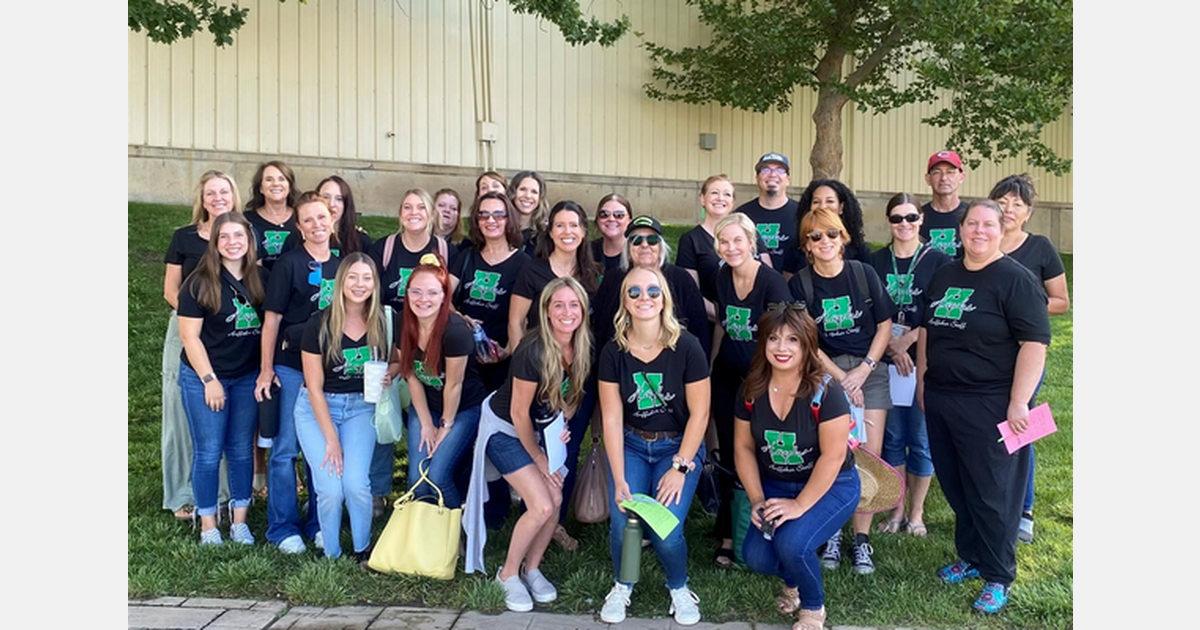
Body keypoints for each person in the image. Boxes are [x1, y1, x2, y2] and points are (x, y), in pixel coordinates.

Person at [916, 199, 1051, 614]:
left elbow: (1035, 343)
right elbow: (927, 330)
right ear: (960, 230)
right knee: (958, 485)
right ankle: (971, 557)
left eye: (988, 224)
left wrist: (1018, 402)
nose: (979, 231)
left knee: (995, 490)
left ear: (1001, 229)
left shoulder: (1016, 279)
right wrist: (923, 380)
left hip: (991, 403)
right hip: (942, 396)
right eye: (971, 223)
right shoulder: (944, 274)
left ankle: (998, 574)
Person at [463, 277, 591, 612]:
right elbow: (519, 413)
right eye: (558, 305)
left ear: (583, 309)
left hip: (538, 430)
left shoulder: (581, 346)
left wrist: (559, 425)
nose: (567, 312)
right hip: (505, 428)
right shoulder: (532, 349)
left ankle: (531, 568)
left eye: (574, 304)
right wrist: (538, 457)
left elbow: (571, 397)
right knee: (542, 505)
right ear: (546, 312)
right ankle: (506, 574)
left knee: (557, 496)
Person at [733, 304, 860, 630]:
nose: (781, 348)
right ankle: (793, 581)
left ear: (807, 344)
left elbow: (832, 457)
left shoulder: (827, 392)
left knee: (792, 544)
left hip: (833, 484)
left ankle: (813, 608)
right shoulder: (750, 390)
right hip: (775, 483)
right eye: (773, 338)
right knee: (757, 556)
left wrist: (800, 505)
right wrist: (758, 498)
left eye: (792, 339)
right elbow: (744, 448)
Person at [597, 268, 709, 626]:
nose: (644, 298)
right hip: (631, 443)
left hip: (677, 447)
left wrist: (679, 467)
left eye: (652, 291)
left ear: (664, 298)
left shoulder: (687, 345)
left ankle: (679, 587)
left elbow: (700, 412)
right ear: (624, 302)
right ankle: (622, 584)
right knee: (622, 522)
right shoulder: (613, 350)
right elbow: (612, 419)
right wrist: (618, 478)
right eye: (634, 292)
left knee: (666, 528)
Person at [787, 207, 893, 575]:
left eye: (831, 234)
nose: (825, 242)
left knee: (867, 456)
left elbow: (884, 325)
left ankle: (860, 539)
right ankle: (831, 531)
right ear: (807, 245)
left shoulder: (864, 274)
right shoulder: (800, 283)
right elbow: (804, 339)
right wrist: (838, 380)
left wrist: (862, 371)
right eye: (816, 237)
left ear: (843, 238)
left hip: (869, 369)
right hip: (822, 372)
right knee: (831, 453)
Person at [509, 200, 602, 549]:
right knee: (532, 442)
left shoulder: (593, 273)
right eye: (560, 225)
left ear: (583, 231)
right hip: (537, 375)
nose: (567, 232)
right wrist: (523, 365)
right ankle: (532, 508)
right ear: (550, 231)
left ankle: (556, 521)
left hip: (577, 376)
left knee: (567, 446)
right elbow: (517, 321)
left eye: (574, 225)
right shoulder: (532, 271)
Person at [295, 253, 398, 560]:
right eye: (352, 277)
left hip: (361, 408)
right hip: (318, 409)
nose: (359, 284)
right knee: (330, 489)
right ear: (341, 281)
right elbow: (313, 386)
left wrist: (390, 374)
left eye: (367, 278)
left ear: (375, 283)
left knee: (355, 484)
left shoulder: (385, 319)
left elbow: (398, 360)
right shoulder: (319, 323)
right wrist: (331, 440)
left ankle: (362, 548)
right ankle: (331, 552)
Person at [176, 212, 269, 545]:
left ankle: (240, 520)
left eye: (239, 236)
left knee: (242, 449)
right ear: (215, 243)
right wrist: (209, 379)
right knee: (210, 451)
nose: (233, 243)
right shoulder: (199, 282)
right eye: (225, 237)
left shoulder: (262, 279)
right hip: (205, 375)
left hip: (245, 377)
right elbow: (190, 337)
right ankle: (208, 524)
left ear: (250, 241)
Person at [256, 192, 341, 554]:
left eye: (322, 217)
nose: (317, 225)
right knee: (285, 450)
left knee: (320, 450)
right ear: (299, 226)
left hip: (328, 373)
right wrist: (265, 369)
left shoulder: (343, 266)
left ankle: (319, 522)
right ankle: (283, 527)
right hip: (291, 369)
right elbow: (271, 320)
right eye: (308, 220)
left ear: (332, 220)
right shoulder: (288, 265)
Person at [991, 174, 1070, 544]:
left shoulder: (1039, 247)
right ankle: (992, 501)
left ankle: (1024, 511)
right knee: (988, 431)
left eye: (1016, 204)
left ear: (1028, 212)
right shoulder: (980, 243)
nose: (1008, 210)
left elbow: (1061, 301)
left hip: (1025, 353)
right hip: (985, 357)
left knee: (1020, 429)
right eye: (1002, 202)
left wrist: (1023, 306)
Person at [709, 213, 791, 567]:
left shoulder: (772, 284)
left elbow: (787, 337)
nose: (731, 248)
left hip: (763, 380)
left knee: (760, 454)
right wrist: (710, 368)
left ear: (751, 242)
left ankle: (765, 527)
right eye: (724, 242)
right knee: (729, 454)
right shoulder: (721, 275)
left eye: (737, 240)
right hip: (728, 376)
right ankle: (729, 533)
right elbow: (723, 326)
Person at [869, 193, 951, 537]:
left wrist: (908, 340)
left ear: (922, 220)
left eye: (911, 218)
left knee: (919, 438)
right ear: (889, 222)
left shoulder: (940, 262)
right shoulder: (875, 263)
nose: (905, 224)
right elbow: (869, 312)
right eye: (897, 218)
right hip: (884, 360)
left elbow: (940, 314)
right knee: (891, 438)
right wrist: (891, 345)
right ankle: (896, 510)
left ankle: (917, 513)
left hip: (923, 359)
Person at [162, 170, 239, 520]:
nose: (218, 197)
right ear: (202, 198)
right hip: (188, 329)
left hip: (232, 335)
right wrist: (201, 318)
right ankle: (184, 493)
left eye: (224, 191)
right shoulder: (185, 237)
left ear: (234, 195)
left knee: (230, 418)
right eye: (211, 193)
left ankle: (224, 494)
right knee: (184, 411)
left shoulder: (241, 234)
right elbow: (170, 290)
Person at [399, 255, 488, 509]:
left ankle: (452, 533)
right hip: (427, 404)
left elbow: (454, 385)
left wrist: (444, 427)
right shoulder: (402, 322)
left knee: (437, 477)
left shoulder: (456, 330)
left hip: (462, 408)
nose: (423, 299)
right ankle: (419, 534)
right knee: (417, 477)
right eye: (416, 291)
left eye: (431, 292)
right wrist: (426, 422)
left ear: (443, 296)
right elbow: (411, 375)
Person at [592, 216, 711, 357]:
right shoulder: (613, 279)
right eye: (636, 240)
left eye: (652, 240)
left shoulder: (681, 279)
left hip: (673, 366)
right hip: (619, 363)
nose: (644, 245)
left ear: (661, 247)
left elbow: (700, 330)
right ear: (628, 248)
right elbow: (599, 326)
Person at [449, 192, 531, 392]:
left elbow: (526, 318)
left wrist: (507, 351)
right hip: (464, 356)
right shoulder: (467, 257)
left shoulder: (524, 263)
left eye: (498, 215)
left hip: (503, 360)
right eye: (483, 215)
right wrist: (460, 317)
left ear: (509, 219)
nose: (490, 220)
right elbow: (442, 297)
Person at [676, 174, 772, 313]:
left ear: (732, 202)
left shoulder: (749, 232)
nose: (720, 198)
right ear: (703, 199)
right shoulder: (690, 240)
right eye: (714, 193)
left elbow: (769, 274)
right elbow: (691, 292)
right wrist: (724, 316)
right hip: (712, 319)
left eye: (727, 194)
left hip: (757, 319)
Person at [367, 188, 450, 312]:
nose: (414, 212)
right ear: (400, 214)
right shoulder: (382, 249)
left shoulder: (445, 251)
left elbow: (451, 300)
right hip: (389, 327)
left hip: (430, 328)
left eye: (421, 207)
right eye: (407, 207)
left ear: (432, 214)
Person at [734, 152, 801, 275]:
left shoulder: (802, 214)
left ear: (788, 180)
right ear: (757, 179)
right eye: (765, 170)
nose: (772, 175)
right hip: (751, 287)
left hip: (795, 289)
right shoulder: (741, 216)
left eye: (780, 170)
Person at [795, 179, 873, 267]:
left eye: (830, 201)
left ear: (841, 207)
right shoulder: (797, 247)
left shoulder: (859, 250)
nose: (823, 206)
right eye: (816, 201)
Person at [244, 160, 301, 271]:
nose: (276, 184)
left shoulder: (302, 217)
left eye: (281, 179)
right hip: (258, 284)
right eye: (269, 179)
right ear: (261, 188)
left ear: (289, 186)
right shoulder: (247, 220)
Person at [920, 150, 969, 259]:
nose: (944, 178)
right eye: (937, 172)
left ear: (961, 177)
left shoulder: (972, 215)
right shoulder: (916, 218)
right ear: (928, 179)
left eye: (950, 172)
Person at [317, 175, 373, 256]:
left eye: (339, 199)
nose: (332, 204)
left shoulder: (361, 241)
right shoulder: (305, 237)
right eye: (326, 197)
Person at [508, 171, 548, 254]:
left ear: (540, 198)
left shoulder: (545, 234)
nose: (528, 196)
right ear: (513, 192)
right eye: (523, 189)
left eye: (534, 192)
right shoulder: (500, 229)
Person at [590, 194, 632, 273]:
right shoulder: (587, 251)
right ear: (597, 220)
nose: (611, 219)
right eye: (604, 214)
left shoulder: (637, 252)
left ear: (629, 221)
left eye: (619, 215)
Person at [433, 188, 465, 256]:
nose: (447, 210)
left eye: (453, 208)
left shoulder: (466, 247)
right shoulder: (419, 240)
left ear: (458, 216)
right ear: (431, 210)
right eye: (441, 205)